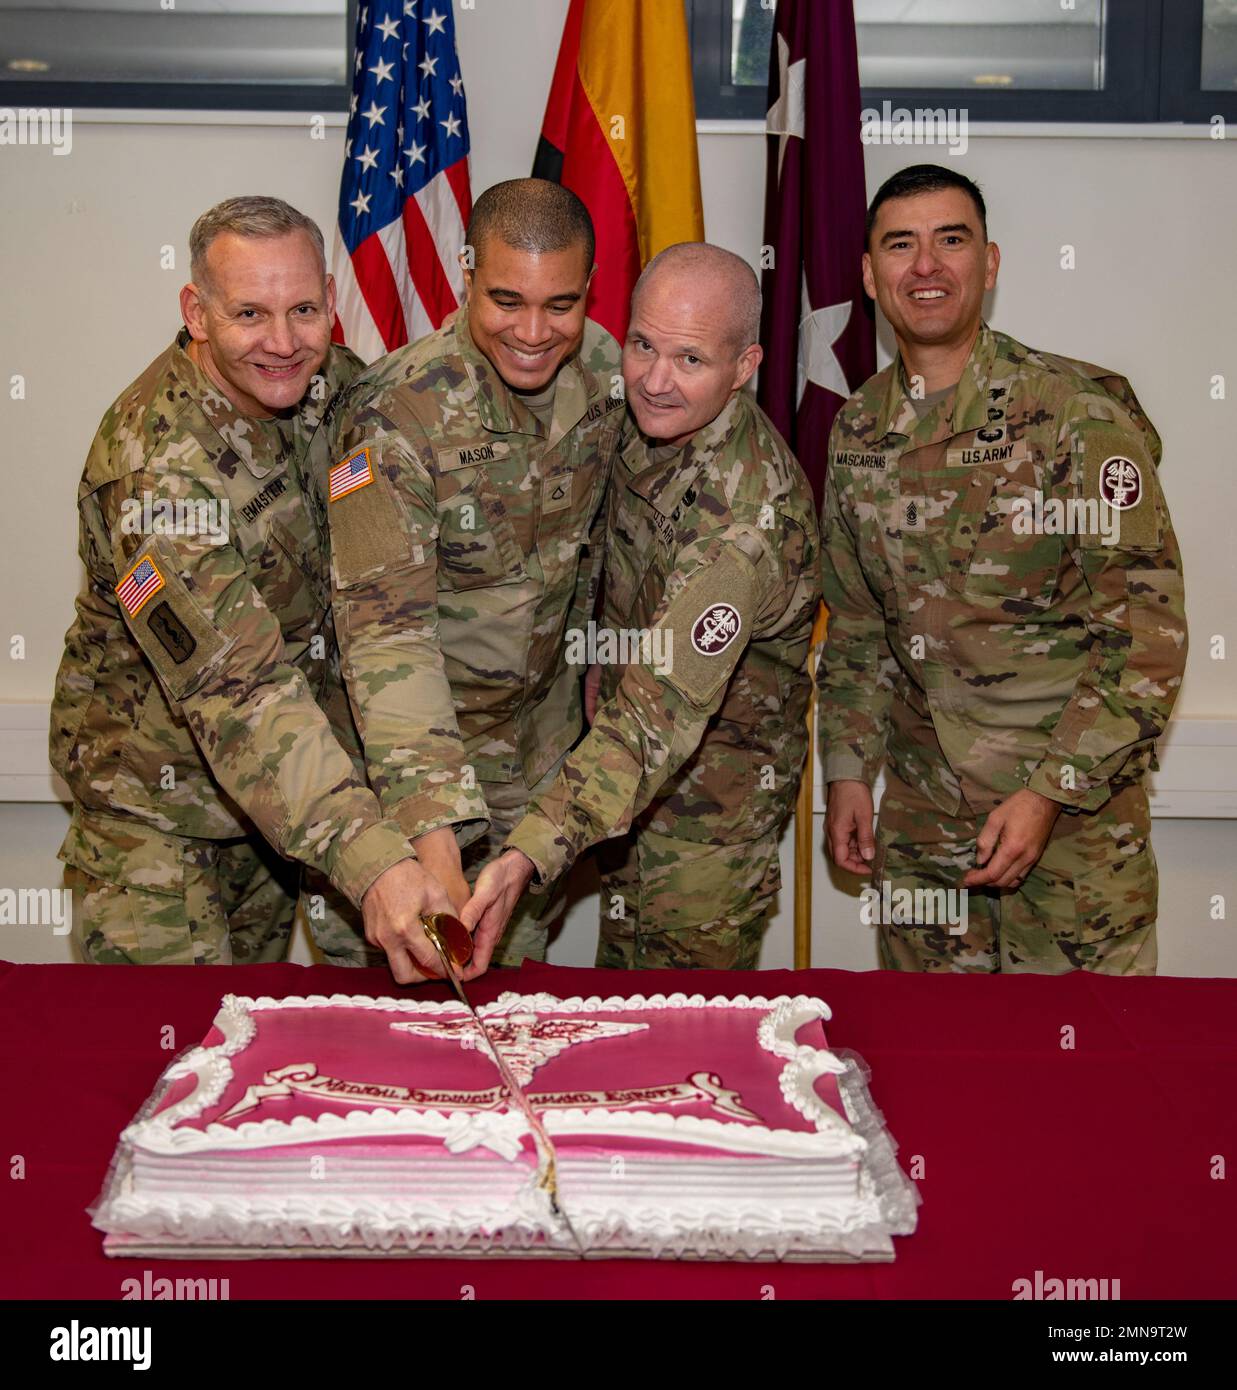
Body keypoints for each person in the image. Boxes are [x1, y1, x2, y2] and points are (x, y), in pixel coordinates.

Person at [50, 196, 463, 981]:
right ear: (195, 312)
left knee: (262, 1037)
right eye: (249, 314)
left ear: (330, 302)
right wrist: (374, 860)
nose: (282, 342)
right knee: (169, 1044)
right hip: (156, 826)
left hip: (280, 811)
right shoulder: (154, 475)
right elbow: (238, 690)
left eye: (302, 310)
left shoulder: (334, 387)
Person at [818, 164, 1187, 974]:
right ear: (870, 276)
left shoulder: (1074, 417)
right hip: (924, 836)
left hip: (1074, 838)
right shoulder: (857, 431)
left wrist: (1048, 793)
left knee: (1084, 1052)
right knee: (932, 1049)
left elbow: (1146, 645)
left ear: (988, 264)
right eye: (899, 245)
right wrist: (845, 772)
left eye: (950, 240)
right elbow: (856, 627)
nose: (925, 266)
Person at [463, 243, 821, 969]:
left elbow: (657, 712)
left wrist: (528, 852)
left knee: (679, 1018)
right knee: (616, 1001)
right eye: (642, 345)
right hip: (619, 793)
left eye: (690, 359)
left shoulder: (746, 526)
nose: (655, 381)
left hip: (705, 827)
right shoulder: (644, 419)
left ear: (744, 367)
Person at [325, 178, 627, 971]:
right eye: (505, 300)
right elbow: (386, 637)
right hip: (405, 767)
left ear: (590, 288)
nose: (532, 332)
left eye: (560, 304)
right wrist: (432, 838)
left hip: (534, 767)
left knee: (515, 998)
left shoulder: (606, 373)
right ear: (466, 277)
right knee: (389, 1014)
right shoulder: (394, 415)